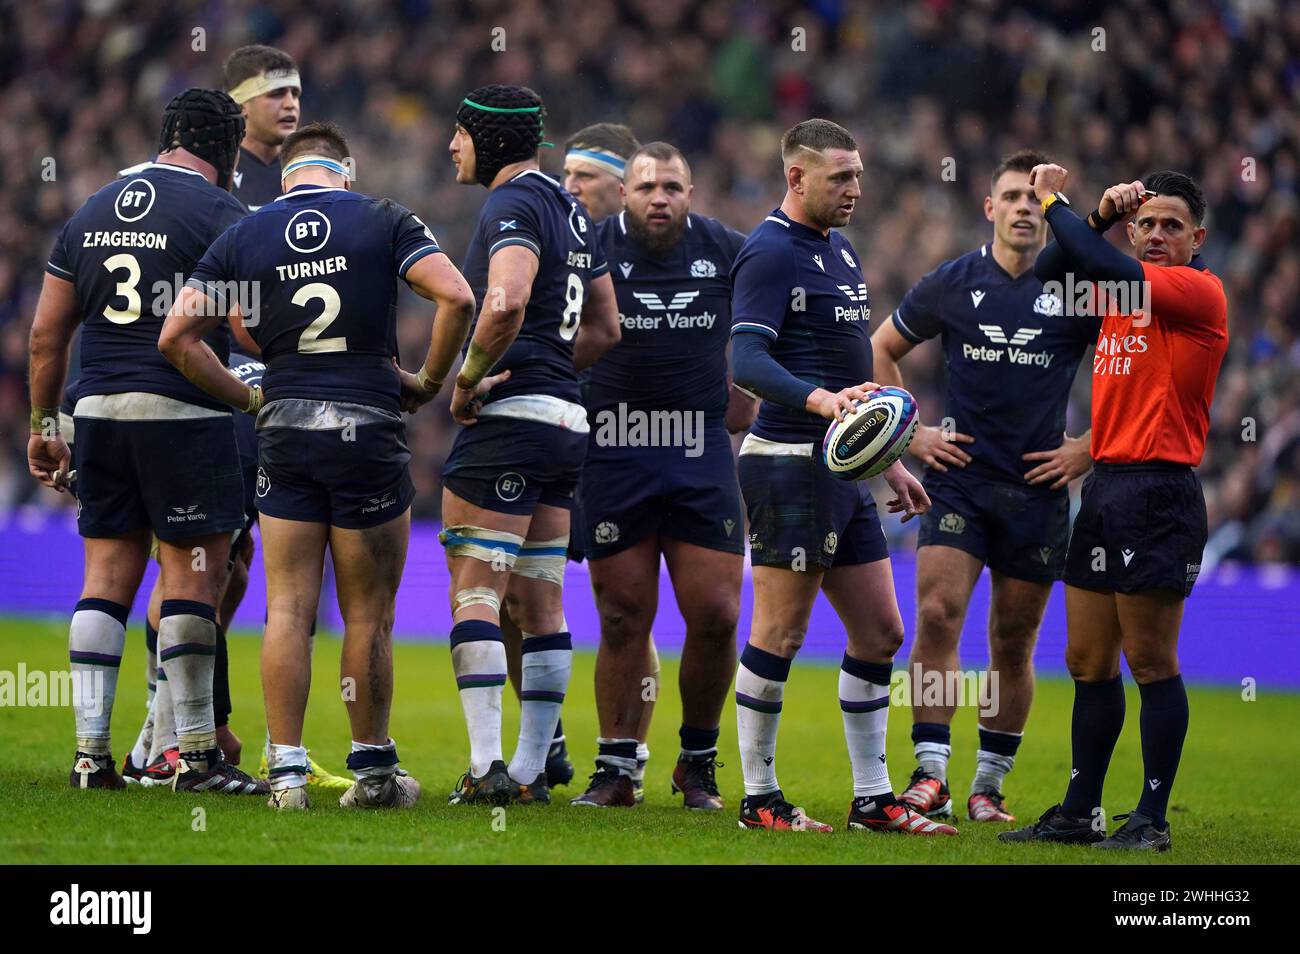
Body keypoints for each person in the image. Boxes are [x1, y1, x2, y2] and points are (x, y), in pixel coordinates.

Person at [160, 120, 476, 809]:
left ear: (286, 179)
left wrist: (249, 396)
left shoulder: (247, 233)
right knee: (368, 615)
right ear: (347, 170)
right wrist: (425, 380)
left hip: (287, 433)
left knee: (288, 609)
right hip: (367, 427)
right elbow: (457, 296)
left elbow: (176, 336)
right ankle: (370, 775)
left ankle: (289, 774)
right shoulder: (384, 217)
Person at [27, 88, 266, 795]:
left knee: (104, 581)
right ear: (225, 151)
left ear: (165, 136)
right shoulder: (223, 212)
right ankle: (196, 758)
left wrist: (46, 428)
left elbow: (45, 334)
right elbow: (250, 332)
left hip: (97, 412)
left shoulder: (93, 208)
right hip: (185, 415)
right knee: (193, 578)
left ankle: (90, 759)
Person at [728, 118, 955, 835]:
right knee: (782, 632)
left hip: (843, 472)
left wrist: (888, 467)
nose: (856, 188)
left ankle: (872, 799)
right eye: (840, 177)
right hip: (789, 464)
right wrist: (819, 399)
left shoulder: (841, 251)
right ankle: (759, 798)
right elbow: (745, 361)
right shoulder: (769, 252)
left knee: (882, 632)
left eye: (858, 175)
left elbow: (858, 378)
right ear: (796, 178)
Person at [1001, 165, 1227, 851]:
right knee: (1086, 660)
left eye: (1171, 227)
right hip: (1103, 489)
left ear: (1198, 239)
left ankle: (1151, 819)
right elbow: (1045, 275)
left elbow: (1100, 263)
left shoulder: (1198, 292)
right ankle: (1079, 811)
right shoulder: (1114, 286)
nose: (1156, 236)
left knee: (1152, 660)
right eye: (1146, 225)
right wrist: (1092, 217)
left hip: (1160, 490)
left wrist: (1055, 200)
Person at [870, 149, 1098, 823]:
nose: (1026, 208)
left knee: (1013, 638)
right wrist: (911, 433)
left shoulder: (1077, 291)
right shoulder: (953, 281)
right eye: (1013, 197)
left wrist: (1086, 449)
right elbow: (881, 347)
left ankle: (989, 785)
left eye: (1037, 199)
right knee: (938, 614)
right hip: (960, 482)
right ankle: (931, 773)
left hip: (1037, 489)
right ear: (989, 208)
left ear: (1050, 213)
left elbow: (1132, 364)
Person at [442, 85, 620, 805]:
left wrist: (467, 381)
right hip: (565, 422)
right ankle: (528, 773)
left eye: (458, 135)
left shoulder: (510, 205)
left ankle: (486, 769)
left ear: (488, 141)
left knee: (477, 589)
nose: (450, 147)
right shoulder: (575, 213)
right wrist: (549, 367)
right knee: (542, 604)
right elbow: (607, 329)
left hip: (511, 417)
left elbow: (506, 300)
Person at [569, 142, 756, 809]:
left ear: (691, 192)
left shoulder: (728, 249)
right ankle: (616, 769)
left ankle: (698, 762)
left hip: (698, 446)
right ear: (624, 193)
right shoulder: (588, 248)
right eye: (647, 186)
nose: (659, 198)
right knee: (623, 615)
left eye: (672, 187)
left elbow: (769, 324)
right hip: (613, 447)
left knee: (716, 611)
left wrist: (752, 385)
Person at [487, 121, 643, 791]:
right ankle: (544, 740)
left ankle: (624, 758)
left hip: (621, 450)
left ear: (623, 187)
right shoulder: (557, 233)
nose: (570, 185)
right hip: (561, 432)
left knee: (623, 605)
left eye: (586, 177)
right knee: (514, 601)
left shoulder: (646, 249)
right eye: (568, 171)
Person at [225, 45, 302, 210]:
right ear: (240, 105)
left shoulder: (310, 173)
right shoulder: (212, 174)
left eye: (295, 94)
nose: (290, 104)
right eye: (276, 94)